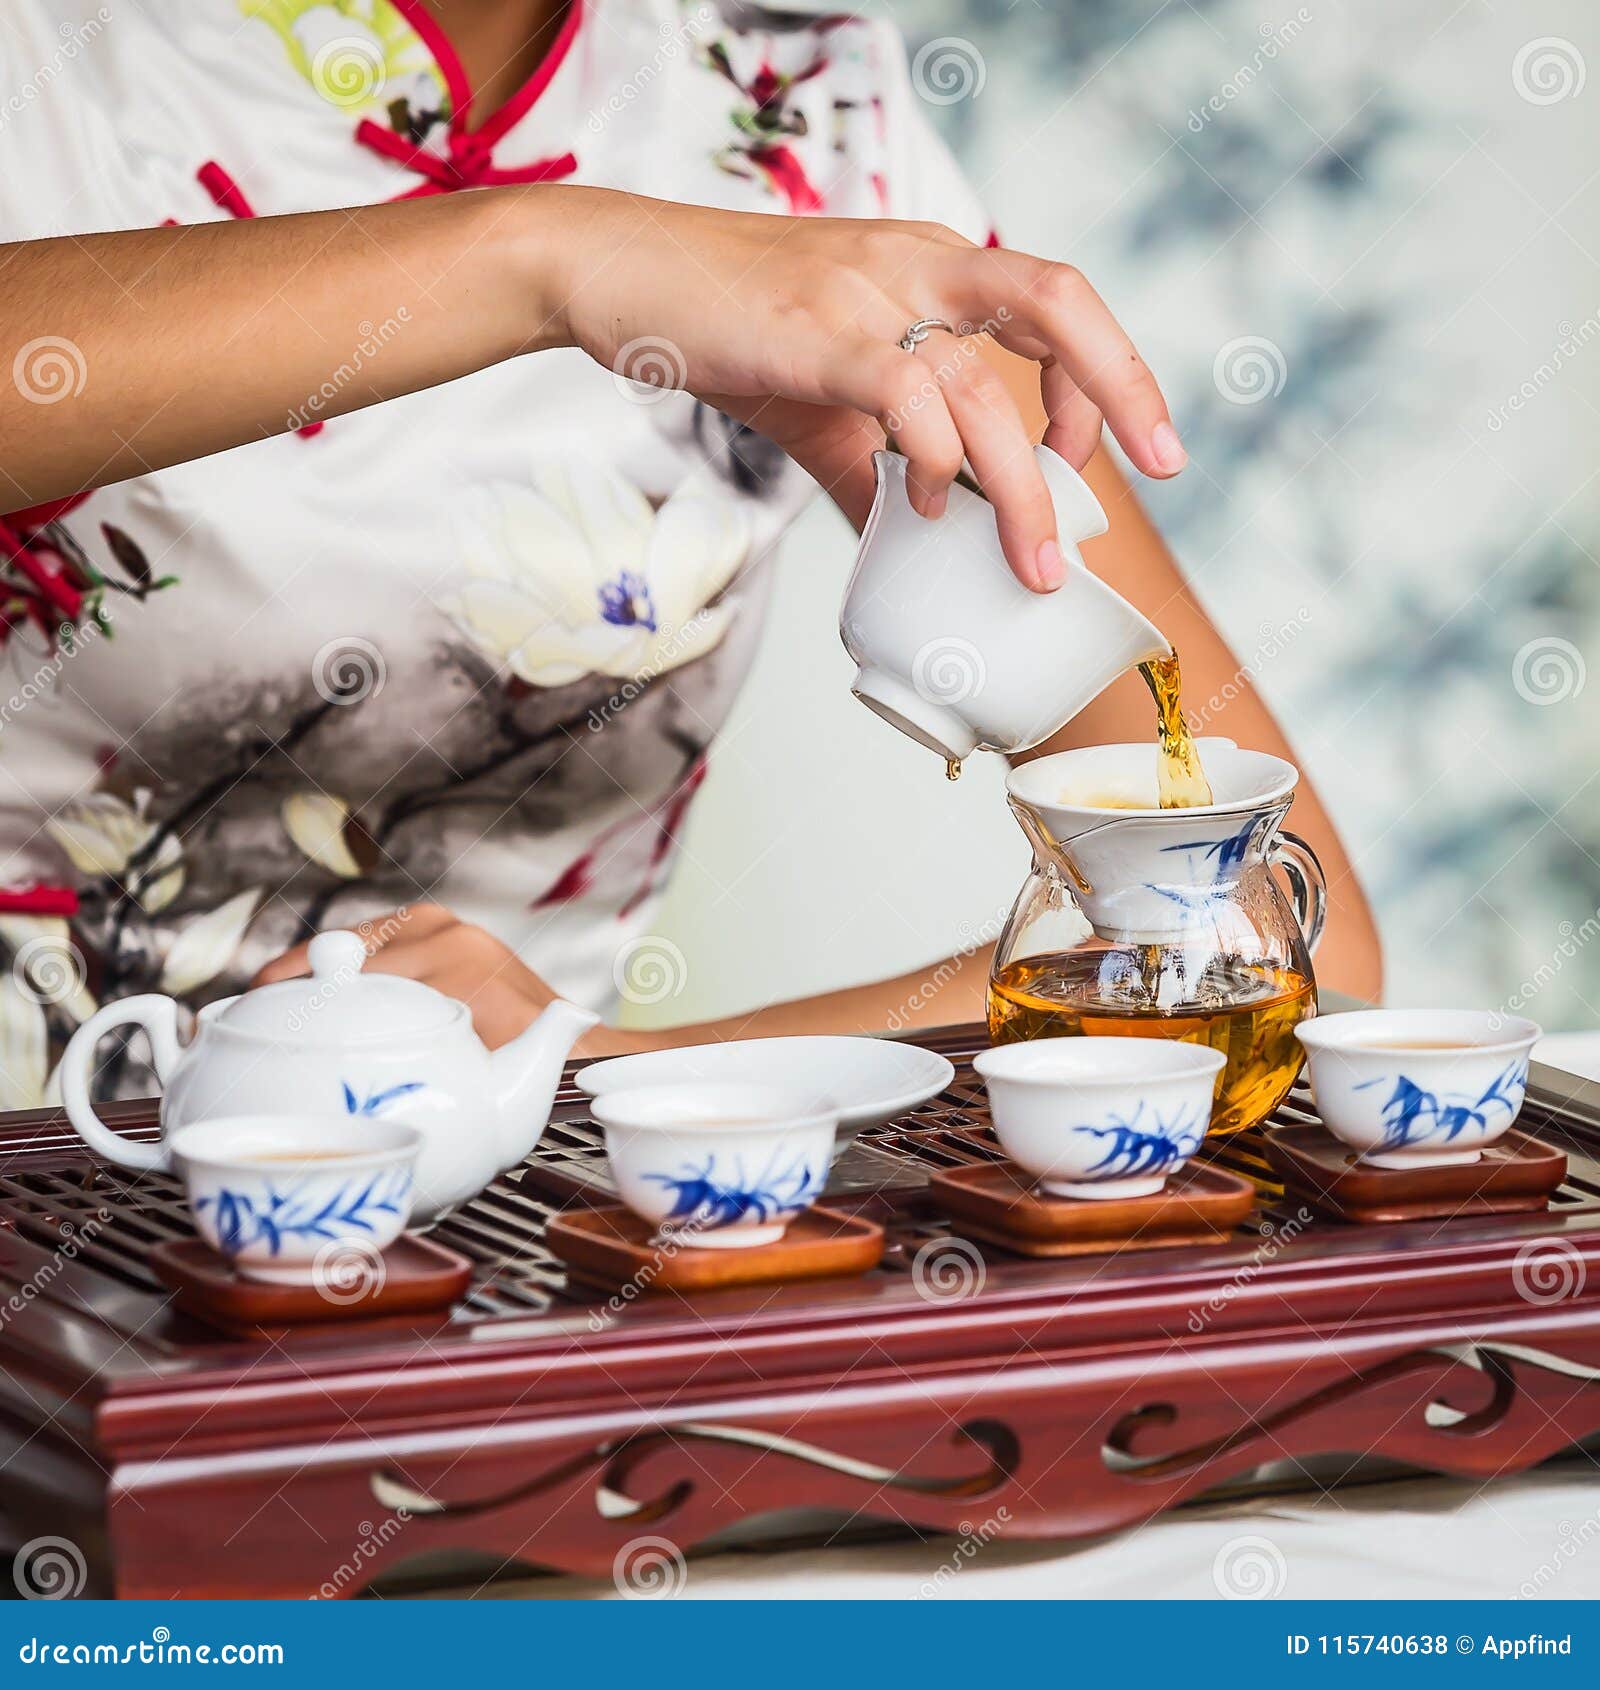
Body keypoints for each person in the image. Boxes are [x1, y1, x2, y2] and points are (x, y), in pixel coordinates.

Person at [0, 0, 1379, 1101]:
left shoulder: (794, 123)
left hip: (485, 1231)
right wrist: (542, 256)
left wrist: (611, 1079)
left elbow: (1293, 944)